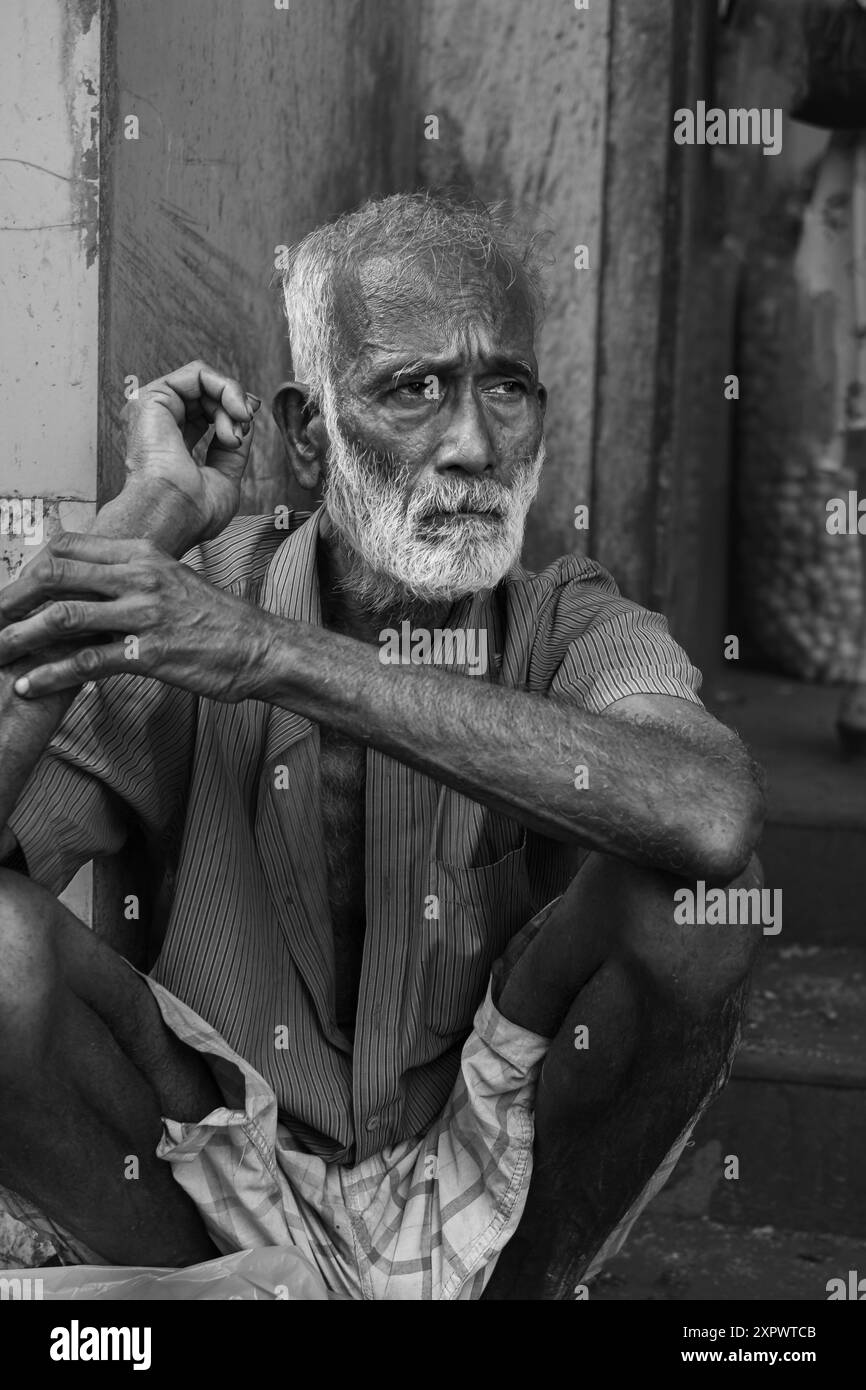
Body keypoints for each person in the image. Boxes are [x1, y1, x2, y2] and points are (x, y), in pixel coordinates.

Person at [0, 193, 764, 1300]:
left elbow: (713, 814)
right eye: (413, 389)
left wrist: (275, 658)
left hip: (485, 1167)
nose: (470, 445)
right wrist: (157, 507)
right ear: (309, 436)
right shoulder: (194, 603)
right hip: (214, 1179)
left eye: (502, 387)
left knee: (702, 901)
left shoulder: (567, 619)